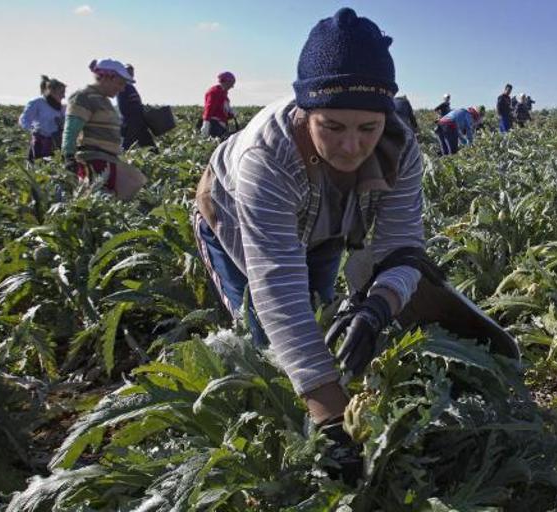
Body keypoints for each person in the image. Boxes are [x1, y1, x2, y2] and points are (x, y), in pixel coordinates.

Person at [190, 8, 427, 479]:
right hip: (234, 221)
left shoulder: (402, 150)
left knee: (323, 311)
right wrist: (335, 422)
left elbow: (404, 250)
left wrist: (379, 305)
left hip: (326, 226)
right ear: (305, 112)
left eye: (368, 128)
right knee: (265, 333)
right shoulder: (268, 154)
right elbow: (278, 286)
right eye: (332, 127)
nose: (351, 147)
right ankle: (280, 447)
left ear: (387, 117)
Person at [62, 59, 133, 190]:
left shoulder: (104, 100)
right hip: (93, 161)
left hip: (107, 160)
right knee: (95, 199)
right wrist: (69, 157)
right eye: (120, 83)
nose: (122, 89)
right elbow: (71, 130)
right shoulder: (83, 97)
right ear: (106, 77)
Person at [19, 75, 66, 162]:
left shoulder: (62, 107)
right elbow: (24, 120)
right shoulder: (37, 102)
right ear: (52, 91)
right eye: (61, 92)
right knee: (38, 165)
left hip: (56, 142)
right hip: (41, 141)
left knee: (55, 166)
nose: (64, 96)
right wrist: (33, 130)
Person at [117, 64, 157, 152]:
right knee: (126, 148)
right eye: (129, 72)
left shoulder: (130, 87)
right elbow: (123, 108)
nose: (131, 74)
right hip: (131, 124)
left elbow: (136, 104)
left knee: (151, 147)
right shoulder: (124, 88)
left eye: (132, 72)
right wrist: (131, 120)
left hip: (140, 123)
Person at [202, 72, 237, 140]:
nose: (231, 87)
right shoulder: (214, 91)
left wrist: (231, 114)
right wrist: (206, 123)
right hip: (214, 125)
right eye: (231, 84)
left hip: (220, 125)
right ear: (226, 82)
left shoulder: (223, 93)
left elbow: (222, 111)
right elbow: (209, 107)